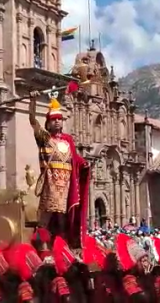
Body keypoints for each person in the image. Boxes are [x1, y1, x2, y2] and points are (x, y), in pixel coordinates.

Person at [28, 90, 91, 248]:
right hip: (51, 182)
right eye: (53, 120)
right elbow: (33, 121)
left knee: (63, 218)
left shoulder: (68, 140)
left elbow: (75, 158)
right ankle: (42, 246)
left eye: (59, 119)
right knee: (46, 216)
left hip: (66, 184)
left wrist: (84, 164)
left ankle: (62, 245)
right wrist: (32, 102)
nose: (57, 122)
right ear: (48, 123)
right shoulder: (44, 137)